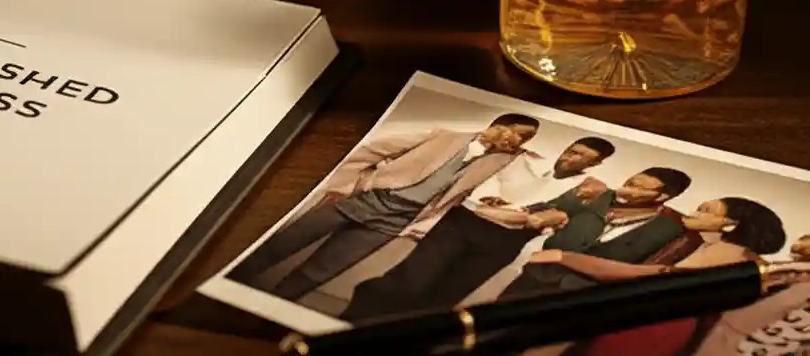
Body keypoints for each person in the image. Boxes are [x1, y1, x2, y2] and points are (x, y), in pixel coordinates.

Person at [227, 114, 540, 301]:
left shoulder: (501, 162)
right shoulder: (443, 135)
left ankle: (269, 309)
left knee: (322, 269)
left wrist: (523, 155)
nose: (517, 140)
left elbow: (514, 187)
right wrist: (346, 186)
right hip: (365, 199)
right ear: (499, 125)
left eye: (525, 138)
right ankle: (228, 288)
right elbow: (368, 152)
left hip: (392, 223)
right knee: (282, 244)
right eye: (517, 132)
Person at [338, 137, 616, 323]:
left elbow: (555, 219)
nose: (570, 157)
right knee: (410, 280)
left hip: (506, 242)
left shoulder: (590, 189)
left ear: (593, 164)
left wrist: (522, 212)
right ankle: (351, 324)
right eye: (572, 150)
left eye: (580, 157)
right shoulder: (525, 159)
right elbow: (486, 190)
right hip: (464, 224)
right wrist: (522, 211)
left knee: (445, 299)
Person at [526, 197, 787, 356]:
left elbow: (646, 276)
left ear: (730, 224)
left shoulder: (726, 251)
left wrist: (568, 257)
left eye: (706, 210)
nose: (695, 214)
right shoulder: (725, 250)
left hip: (657, 325)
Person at [496, 167, 695, 300]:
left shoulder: (671, 229)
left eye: (639, 188)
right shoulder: (596, 195)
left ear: (662, 196)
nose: (627, 188)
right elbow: (547, 209)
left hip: (584, 295)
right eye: (630, 181)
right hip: (535, 276)